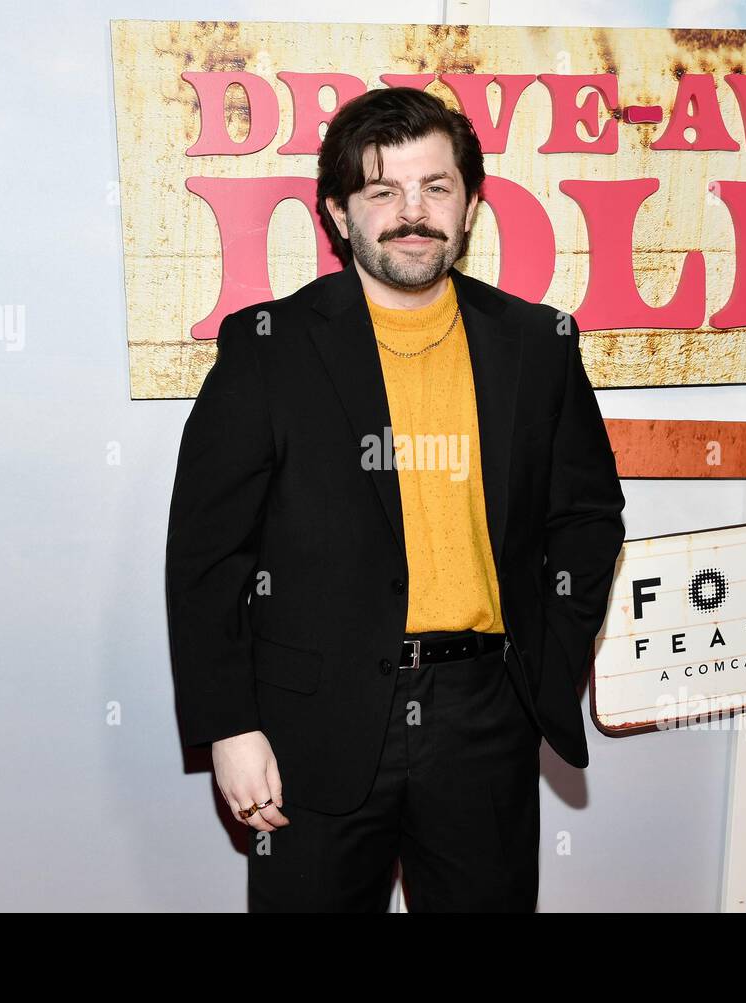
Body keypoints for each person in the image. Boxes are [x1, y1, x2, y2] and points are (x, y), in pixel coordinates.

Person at [164, 86, 625, 912]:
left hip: (486, 718)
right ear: (340, 214)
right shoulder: (269, 349)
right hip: (317, 724)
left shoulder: (538, 345)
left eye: (436, 188)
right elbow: (207, 557)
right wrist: (230, 726)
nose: (413, 213)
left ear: (472, 204)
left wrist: (542, 672)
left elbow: (587, 520)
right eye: (383, 191)